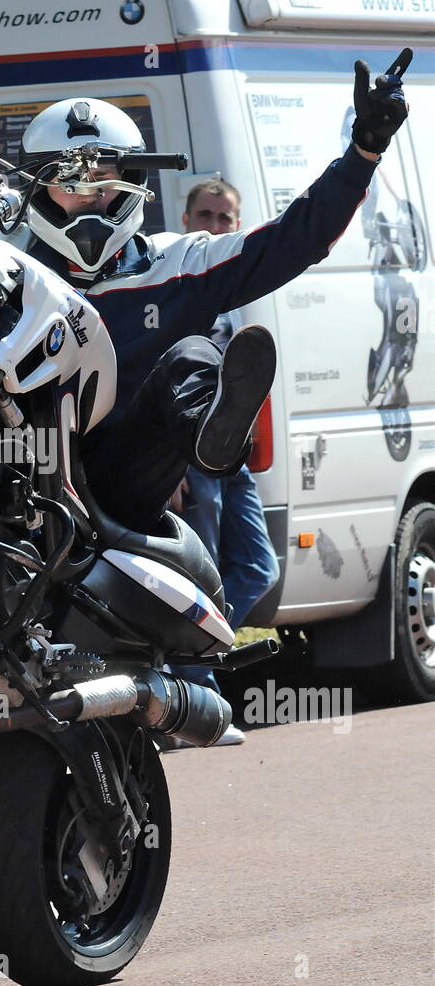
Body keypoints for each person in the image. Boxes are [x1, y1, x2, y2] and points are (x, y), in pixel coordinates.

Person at [12, 62, 407, 732]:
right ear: (41, 189)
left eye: (101, 180)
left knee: (194, 355)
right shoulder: (3, 273)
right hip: (21, 478)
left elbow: (294, 240)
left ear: (130, 187)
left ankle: (208, 433)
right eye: (68, 182)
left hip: (124, 480)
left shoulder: (179, 261)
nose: (87, 198)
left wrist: (361, 153)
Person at [168, 178, 281, 743]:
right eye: (205, 215)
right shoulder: (178, 285)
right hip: (188, 455)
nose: (214, 226)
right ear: (185, 218)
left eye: (224, 218)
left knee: (260, 568)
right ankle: (195, 695)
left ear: (238, 226)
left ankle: (181, 659)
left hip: (226, 455)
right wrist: (167, 470)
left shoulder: (232, 287)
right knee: (203, 569)